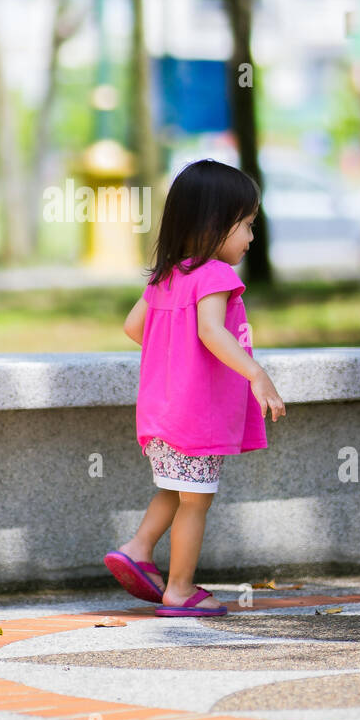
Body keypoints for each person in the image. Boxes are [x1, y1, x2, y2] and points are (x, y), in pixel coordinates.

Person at [104, 158, 286, 615]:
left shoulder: (168, 276)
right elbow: (211, 331)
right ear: (215, 225)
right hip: (195, 415)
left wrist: (174, 352)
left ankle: (138, 549)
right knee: (195, 503)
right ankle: (180, 589)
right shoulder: (216, 276)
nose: (250, 237)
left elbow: (132, 327)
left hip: (162, 415)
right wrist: (256, 374)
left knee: (173, 488)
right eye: (246, 225)